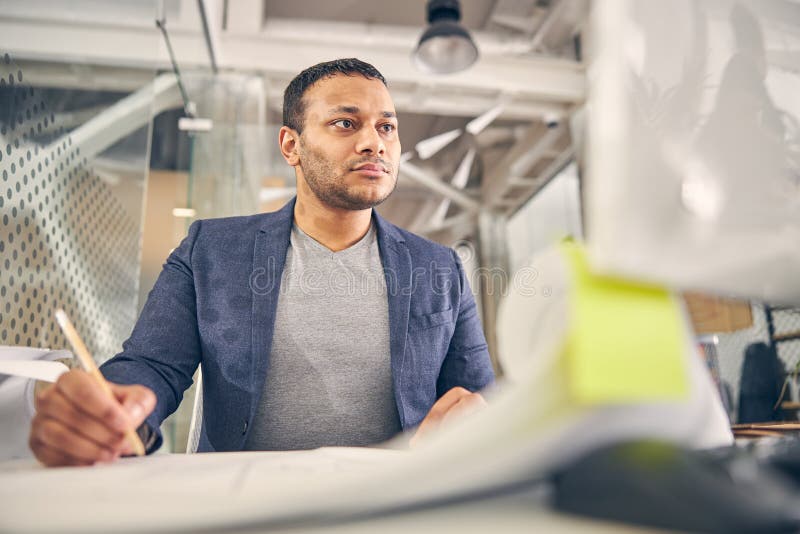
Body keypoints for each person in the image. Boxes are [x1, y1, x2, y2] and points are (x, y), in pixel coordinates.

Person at [28, 58, 494, 467]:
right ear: (291, 145)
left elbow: (478, 398)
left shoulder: (440, 269)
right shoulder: (212, 249)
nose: (374, 143)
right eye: (346, 124)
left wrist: (480, 419)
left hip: (391, 503)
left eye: (386, 127)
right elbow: (153, 365)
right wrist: (116, 413)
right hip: (242, 502)